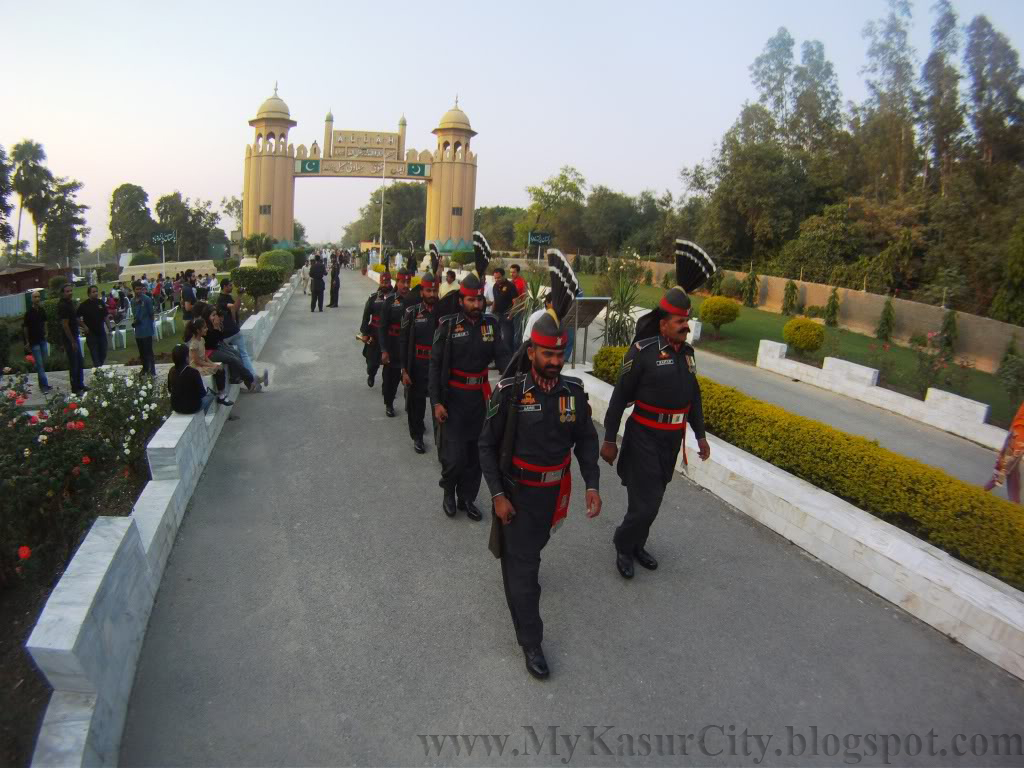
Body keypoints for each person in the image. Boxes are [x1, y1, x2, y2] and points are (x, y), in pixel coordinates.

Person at [478, 253, 600, 679]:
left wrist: (592, 483)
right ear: (532, 352)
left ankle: (519, 573)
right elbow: (485, 447)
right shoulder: (510, 392)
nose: (555, 361)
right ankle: (531, 643)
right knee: (524, 573)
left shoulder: (572, 391)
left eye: (560, 354)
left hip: (554, 495)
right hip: (516, 495)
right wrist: (496, 495)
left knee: (532, 555)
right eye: (547, 354)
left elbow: (586, 438)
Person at [599, 240, 716, 578]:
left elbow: (693, 397)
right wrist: (609, 438)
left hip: (671, 440)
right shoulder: (642, 351)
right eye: (680, 320)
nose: (685, 325)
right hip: (644, 437)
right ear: (664, 323)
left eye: (688, 320)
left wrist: (701, 436)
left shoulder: (688, 354)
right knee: (645, 502)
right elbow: (620, 397)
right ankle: (623, 544)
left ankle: (637, 544)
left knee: (654, 500)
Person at [429, 272, 500, 520]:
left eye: (479, 300)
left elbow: (504, 360)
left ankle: (467, 498)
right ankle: (448, 491)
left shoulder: (491, 325)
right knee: (455, 457)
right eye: (471, 300)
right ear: (461, 300)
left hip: (480, 399)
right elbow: (435, 367)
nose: (476, 305)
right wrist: (436, 402)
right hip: (454, 399)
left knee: (476, 457)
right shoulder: (448, 326)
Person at [400, 270, 441, 453]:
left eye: (435, 291)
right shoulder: (412, 312)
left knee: (438, 403)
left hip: (438, 367)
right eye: (428, 291)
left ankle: (442, 442)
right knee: (416, 404)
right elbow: (403, 342)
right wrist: (404, 370)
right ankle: (417, 437)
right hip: (417, 365)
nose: (432, 295)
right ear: (422, 292)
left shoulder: (444, 313)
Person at [200, 304, 264, 396]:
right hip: (209, 353)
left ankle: (243, 380)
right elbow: (211, 343)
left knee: (236, 354)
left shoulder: (214, 325)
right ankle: (251, 379)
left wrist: (218, 327)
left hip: (216, 347)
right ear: (207, 316)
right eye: (213, 315)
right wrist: (215, 328)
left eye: (216, 315)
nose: (215, 317)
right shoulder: (205, 327)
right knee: (232, 358)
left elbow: (219, 339)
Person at [379, 268, 413, 417]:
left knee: (412, 379)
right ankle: (389, 403)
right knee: (390, 379)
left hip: (410, 346)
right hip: (393, 345)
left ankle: (412, 410)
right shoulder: (390, 301)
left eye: (408, 282)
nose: (406, 285)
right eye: (403, 282)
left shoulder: (415, 301)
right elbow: (382, 327)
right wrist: (384, 349)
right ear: (397, 282)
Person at [216, 278, 257, 379]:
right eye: (230, 285)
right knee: (239, 355)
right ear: (224, 287)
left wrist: (239, 296)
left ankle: (252, 377)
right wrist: (239, 295)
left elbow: (236, 308)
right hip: (228, 332)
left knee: (242, 354)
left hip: (233, 331)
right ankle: (250, 377)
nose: (231, 287)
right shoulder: (221, 299)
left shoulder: (228, 297)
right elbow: (233, 307)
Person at [985, 401, 1024, 503]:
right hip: (1018, 436)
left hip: (1018, 435)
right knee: (1004, 470)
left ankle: (979, 493)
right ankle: (979, 494)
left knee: (1007, 472)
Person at [359, 271, 392, 387]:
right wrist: (364, 332)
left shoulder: (396, 299)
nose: (385, 284)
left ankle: (388, 386)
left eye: (387, 282)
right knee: (372, 362)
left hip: (389, 335)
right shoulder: (373, 298)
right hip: (374, 334)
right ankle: (371, 374)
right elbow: (366, 316)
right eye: (383, 282)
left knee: (389, 364)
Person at [167, 343, 216, 415]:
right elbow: (202, 393)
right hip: (192, 407)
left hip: (176, 406)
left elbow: (170, 389)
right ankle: (203, 417)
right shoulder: (193, 372)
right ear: (186, 357)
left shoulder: (171, 370)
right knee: (211, 395)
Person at [57, 283, 86, 395]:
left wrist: (84, 326)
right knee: (74, 364)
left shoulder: (69, 303)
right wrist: (72, 341)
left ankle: (81, 385)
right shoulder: (63, 305)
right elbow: (65, 325)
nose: (70, 293)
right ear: (63, 293)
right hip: (70, 340)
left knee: (79, 362)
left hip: (75, 337)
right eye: (67, 291)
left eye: (71, 291)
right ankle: (75, 388)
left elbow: (75, 318)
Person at [491, 267, 519, 372]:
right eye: (495, 278)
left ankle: (509, 366)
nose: (497, 280)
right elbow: (495, 301)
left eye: (498, 278)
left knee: (507, 341)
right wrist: (491, 314)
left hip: (507, 316)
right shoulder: (495, 286)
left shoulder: (510, 286)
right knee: (496, 340)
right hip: (497, 316)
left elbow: (516, 302)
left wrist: (510, 316)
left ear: (503, 276)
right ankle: (498, 364)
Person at [22, 290, 51, 393]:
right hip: (34, 342)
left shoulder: (42, 310)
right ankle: (44, 386)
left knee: (43, 362)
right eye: (35, 297)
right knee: (39, 363)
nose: (37, 299)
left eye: (38, 297)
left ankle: (42, 384)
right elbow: (25, 328)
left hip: (42, 340)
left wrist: (46, 333)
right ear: (31, 299)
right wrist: (27, 341)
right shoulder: (28, 313)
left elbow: (45, 322)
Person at [77, 284, 109, 367]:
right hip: (91, 333)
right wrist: (84, 326)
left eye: (96, 291)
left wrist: (110, 328)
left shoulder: (100, 302)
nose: (96, 293)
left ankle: (99, 367)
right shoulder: (84, 305)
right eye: (93, 292)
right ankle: (98, 371)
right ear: (89, 294)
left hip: (101, 332)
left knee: (103, 352)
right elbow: (77, 317)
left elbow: (106, 316)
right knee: (95, 354)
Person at [131, 279, 157, 376]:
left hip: (146, 329)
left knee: (148, 351)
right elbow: (134, 314)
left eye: (140, 289)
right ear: (133, 290)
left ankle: (152, 369)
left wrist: (149, 323)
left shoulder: (147, 299)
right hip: (138, 330)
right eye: (137, 289)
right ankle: (145, 368)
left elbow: (151, 314)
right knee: (141, 351)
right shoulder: (132, 301)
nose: (139, 291)